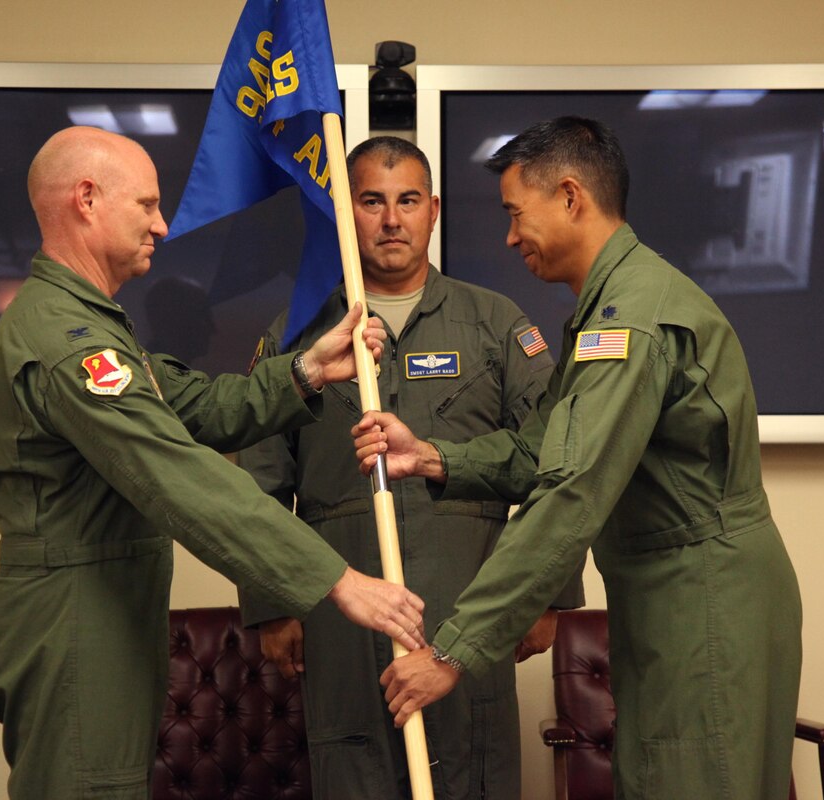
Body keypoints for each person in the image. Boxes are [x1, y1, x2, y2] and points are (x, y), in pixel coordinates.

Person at [354, 117, 803, 800]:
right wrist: (435, 457)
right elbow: (541, 447)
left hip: (702, 599)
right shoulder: (605, 311)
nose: (508, 237)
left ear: (569, 197)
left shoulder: (632, 319)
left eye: (515, 213)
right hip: (669, 595)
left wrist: (452, 650)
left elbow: (571, 491)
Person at [0, 126, 426, 800]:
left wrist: (305, 370)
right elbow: (176, 474)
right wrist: (335, 578)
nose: (161, 224)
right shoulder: (63, 340)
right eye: (147, 205)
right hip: (74, 619)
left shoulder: (92, 323)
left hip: (105, 610)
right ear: (87, 199)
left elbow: (198, 405)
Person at [236, 136, 583, 800]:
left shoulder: (495, 324)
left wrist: (548, 593)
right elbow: (257, 481)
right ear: (347, 213)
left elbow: (554, 463)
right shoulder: (297, 335)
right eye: (371, 201)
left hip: (467, 611)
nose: (391, 220)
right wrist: (271, 604)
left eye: (407, 201)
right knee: (352, 775)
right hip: (342, 618)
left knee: (472, 771)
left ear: (434, 211)